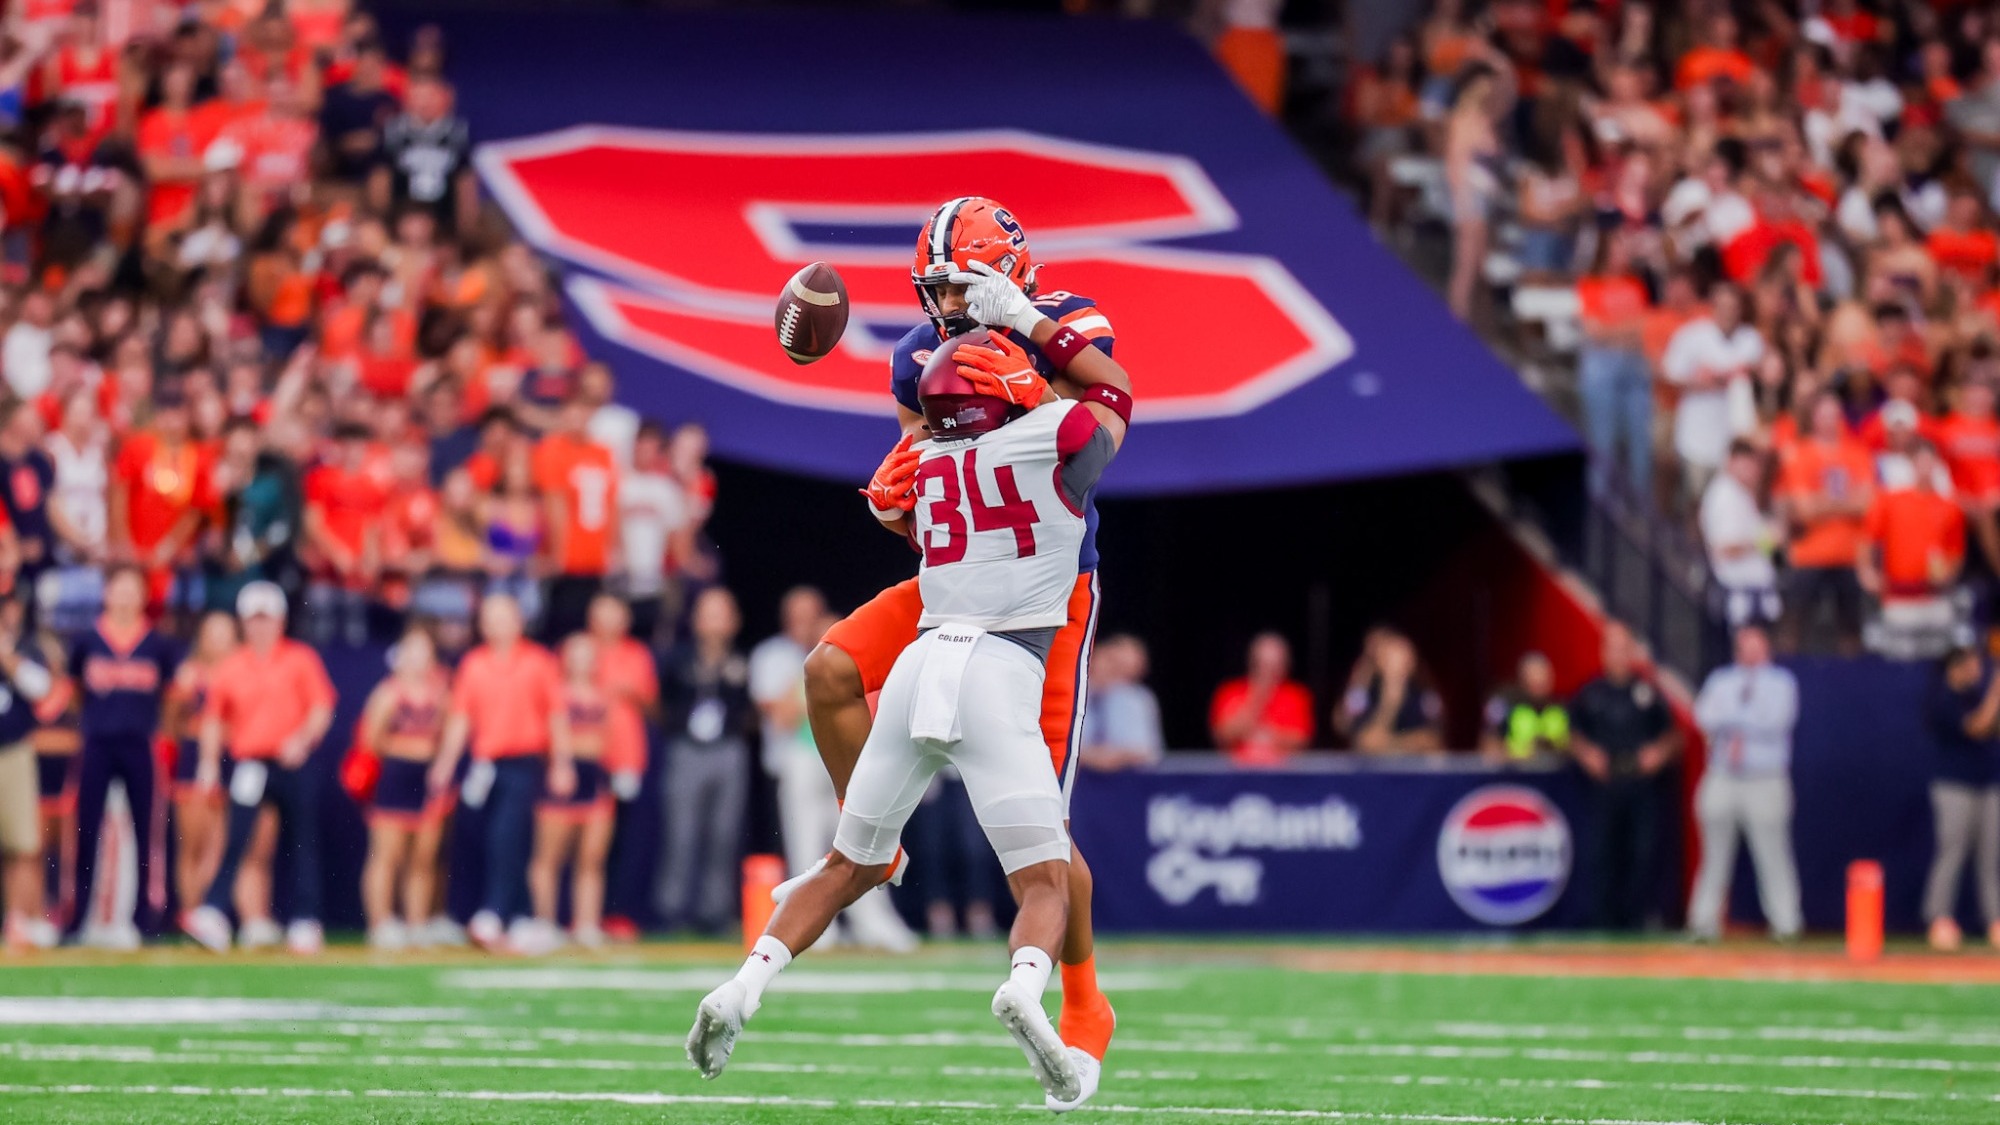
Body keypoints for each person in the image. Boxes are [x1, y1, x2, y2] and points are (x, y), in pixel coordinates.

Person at [688, 317, 1128, 1110]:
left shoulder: (928, 464)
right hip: (999, 671)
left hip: (923, 661)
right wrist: (1035, 380)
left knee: (843, 863)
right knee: (1044, 880)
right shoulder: (1046, 444)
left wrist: (902, 497)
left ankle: (744, 983)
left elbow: (912, 520)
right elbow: (1109, 405)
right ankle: (1025, 986)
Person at [797, 197, 1126, 1077]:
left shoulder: (1067, 324)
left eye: (961, 284)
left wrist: (1029, 338)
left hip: (1047, 589)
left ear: (1008, 276)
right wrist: (895, 507)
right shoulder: (917, 355)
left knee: (1048, 824)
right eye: (936, 286)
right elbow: (931, 502)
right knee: (829, 671)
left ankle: (1085, 995)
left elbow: (1098, 426)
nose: (946, 303)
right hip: (954, 577)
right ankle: (870, 848)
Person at [753, 585, 915, 952]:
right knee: (805, 843)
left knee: (860, 841)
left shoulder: (848, 655)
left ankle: (873, 922)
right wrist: (812, 666)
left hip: (849, 758)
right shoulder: (787, 658)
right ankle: (814, 926)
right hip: (803, 758)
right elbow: (781, 716)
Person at [182, 582, 336, 955]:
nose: (261, 627)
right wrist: (208, 764)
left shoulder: (300, 659)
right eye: (255, 619)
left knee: (302, 841)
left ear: (280, 621)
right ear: (244, 623)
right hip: (250, 763)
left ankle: (305, 919)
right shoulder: (232, 666)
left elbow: (321, 706)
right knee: (236, 839)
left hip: (292, 762)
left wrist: (302, 740)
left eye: (267, 619)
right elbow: (214, 718)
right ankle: (214, 912)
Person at [431, 592, 570, 952]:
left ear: (519, 621)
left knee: (505, 835)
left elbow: (555, 715)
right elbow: (461, 718)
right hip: (485, 766)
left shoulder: (538, 661)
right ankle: (522, 915)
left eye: (504, 617)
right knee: (489, 839)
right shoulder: (474, 663)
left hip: (523, 761)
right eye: (490, 619)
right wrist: (445, 763)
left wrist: (562, 762)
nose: (497, 625)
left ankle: (494, 911)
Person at [66, 564, 177, 947]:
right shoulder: (87, 641)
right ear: (107, 593)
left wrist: (163, 732)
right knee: (85, 831)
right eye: (120, 588)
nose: (127, 597)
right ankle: (77, 918)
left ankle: (146, 921)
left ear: (144, 597)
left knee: (147, 833)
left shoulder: (158, 644)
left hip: (140, 745)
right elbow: (73, 692)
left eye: (134, 589)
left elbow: (172, 697)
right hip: (97, 743)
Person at [1688, 623, 1803, 942]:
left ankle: (1786, 922)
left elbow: (1775, 720)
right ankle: (1703, 922)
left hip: (1765, 777)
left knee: (1773, 852)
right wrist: (1744, 718)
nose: (1750, 651)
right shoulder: (1721, 679)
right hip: (1723, 774)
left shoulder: (1781, 682)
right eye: (1745, 645)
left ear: (1766, 646)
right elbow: (1703, 716)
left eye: (1756, 644)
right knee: (1714, 854)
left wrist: (1731, 719)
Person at [657, 586, 755, 933]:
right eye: (708, 613)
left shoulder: (743, 661)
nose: (714, 622)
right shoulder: (678, 660)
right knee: (680, 832)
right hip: (686, 749)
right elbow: (661, 704)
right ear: (696, 619)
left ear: (734, 621)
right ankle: (671, 911)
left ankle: (715, 912)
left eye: (721, 614)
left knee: (724, 833)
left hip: (728, 749)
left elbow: (752, 711)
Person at [1568, 623, 1679, 929]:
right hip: (1604, 785)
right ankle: (1602, 922)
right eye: (1612, 648)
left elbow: (1673, 736)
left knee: (1642, 852)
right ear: (1603, 652)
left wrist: (1658, 753)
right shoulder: (1591, 693)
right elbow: (1573, 733)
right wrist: (1587, 754)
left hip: (1640, 784)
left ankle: (1638, 920)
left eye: (1622, 649)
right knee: (1601, 853)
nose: (1617, 655)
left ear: (1631, 653)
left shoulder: (1648, 692)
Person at [356, 626, 451, 951]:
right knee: (386, 854)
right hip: (395, 774)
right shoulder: (388, 693)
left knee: (423, 857)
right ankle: (380, 922)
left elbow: (448, 734)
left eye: (424, 652)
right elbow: (370, 739)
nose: (417, 659)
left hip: (427, 776)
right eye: (411, 651)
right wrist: (400, 750)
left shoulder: (441, 695)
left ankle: (416, 922)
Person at [523, 635, 616, 952]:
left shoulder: (603, 694)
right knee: (549, 856)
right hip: (562, 772)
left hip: (595, 774)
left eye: (588, 654)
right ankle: (544, 922)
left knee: (592, 857)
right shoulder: (555, 692)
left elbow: (608, 735)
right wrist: (560, 764)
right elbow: (549, 731)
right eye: (576, 654)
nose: (582, 661)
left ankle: (587, 924)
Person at [1777, 394, 1873, 653]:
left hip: (1849, 553)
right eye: (1824, 415)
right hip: (1808, 554)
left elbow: (1866, 504)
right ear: (1813, 418)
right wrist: (1846, 500)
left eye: (1834, 415)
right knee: (1793, 625)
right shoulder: (1800, 452)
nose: (1830, 421)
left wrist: (1822, 502)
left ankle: (1852, 675)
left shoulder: (1857, 451)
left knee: (1851, 631)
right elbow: (1804, 509)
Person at [161, 610, 237, 924]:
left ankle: (209, 913)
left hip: (233, 755)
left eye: (226, 634)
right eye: (213, 634)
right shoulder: (189, 674)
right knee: (192, 843)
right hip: (193, 758)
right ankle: (190, 912)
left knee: (220, 844)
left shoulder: (243, 673)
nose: (219, 641)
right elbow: (170, 724)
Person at [1923, 647, 2000, 951]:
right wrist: (1997, 690)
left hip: (1988, 783)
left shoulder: (1975, 694)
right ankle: (1939, 917)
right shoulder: (1942, 698)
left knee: (1990, 856)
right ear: (1955, 668)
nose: (1977, 667)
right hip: (1954, 786)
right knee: (1952, 851)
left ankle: (1994, 919)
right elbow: (1977, 726)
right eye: (1970, 662)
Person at [532, 394, 618, 642]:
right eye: (571, 414)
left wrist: (614, 548)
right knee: (561, 631)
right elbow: (553, 503)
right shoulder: (552, 450)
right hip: (567, 562)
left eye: (582, 413)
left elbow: (612, 504)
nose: (576, 420)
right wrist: (558, 552)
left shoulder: (603, 452)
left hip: (596, 560)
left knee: (590, 632)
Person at [0, 597, 56, 950]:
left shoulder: (25, 648)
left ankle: (18, 920)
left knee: (20, 843)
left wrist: (6, 657)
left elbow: (41, 687)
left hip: (13, 753)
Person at [1701, 440, 1781, 627]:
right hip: (1739, 595)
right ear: (1730, 462)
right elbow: (1725, 548)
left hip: (1753, 592)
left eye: (1754, 465)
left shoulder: (1742, 493)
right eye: (1746, 465)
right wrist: (1766, 541)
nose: (1753, 471)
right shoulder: (1725, 495)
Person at [1209, 632, 1314, 765]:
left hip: (1282, 770)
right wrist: (1258, 698)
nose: (1269, 671)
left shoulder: (1297, 695)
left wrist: (1269, 736)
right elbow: (1223, 735)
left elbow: (1301, 740)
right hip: (1236, 770)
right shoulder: (1229, 692)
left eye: (1275, 665)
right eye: (1263, 664)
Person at [1336, 629, 1444, 754]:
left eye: (1403, 656)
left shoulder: (1424, 697)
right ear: (1380, 661)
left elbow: (1431, 741)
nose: (1397, 664)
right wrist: (1390, 703)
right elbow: (1367, 741)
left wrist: (1390, 743)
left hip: (1412, 765)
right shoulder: (1365, 695)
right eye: (1391, 657)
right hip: (1372, 766)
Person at [1079, 634, 1163, 771]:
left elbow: (1148, 752)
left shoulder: (1137, 699)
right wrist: (1092, 757)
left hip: (1125, 778)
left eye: (1127, 671)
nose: (1115, 674)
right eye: (1114, 664)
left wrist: (1114, 757)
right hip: (1069, 775)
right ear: (1096, 653)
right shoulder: (1068, 693)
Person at [1481, 651, 1568, 763]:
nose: (1538, 680)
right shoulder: (1505, 704)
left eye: (1542, 675)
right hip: (1513, 771)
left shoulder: (1561, 709)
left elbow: (1573, 745)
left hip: (1556, 772)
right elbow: (1489, 748)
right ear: (1522, 677)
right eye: (1533, 675)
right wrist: (1516, 757)